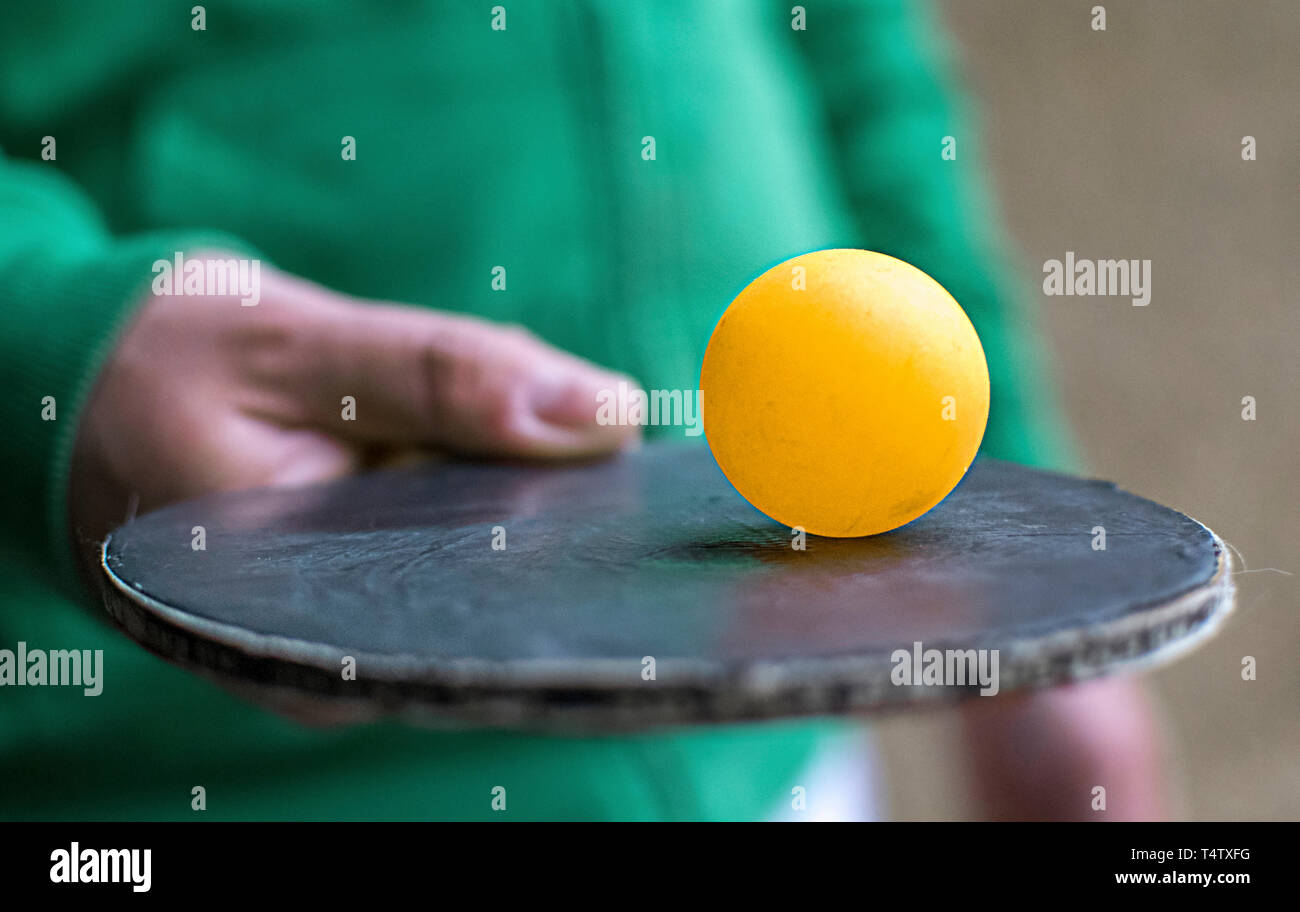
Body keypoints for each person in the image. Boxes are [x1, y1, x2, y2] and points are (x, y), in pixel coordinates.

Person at [0, 0, 1166, 820]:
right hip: (209, 792)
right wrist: (51, 337)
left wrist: (1025, 591)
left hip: (771, 759)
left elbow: (857, 60)